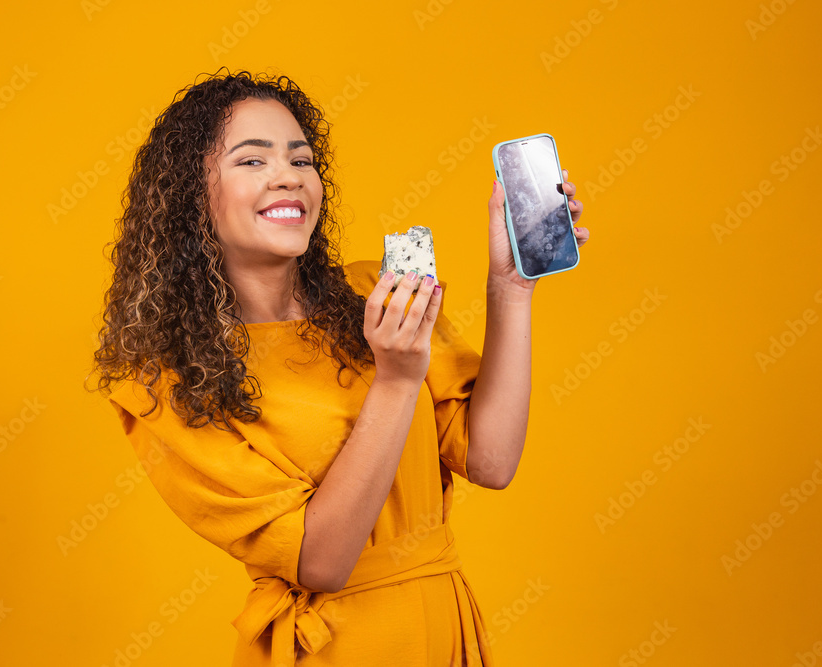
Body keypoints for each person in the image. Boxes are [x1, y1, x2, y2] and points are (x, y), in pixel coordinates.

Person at [89, 69, 589, 666]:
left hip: (442, 627)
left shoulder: (371, 291)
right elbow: (321, 561)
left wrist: (511, 287)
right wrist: (398, 379)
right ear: (191, 197)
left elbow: (492, 459)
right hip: (340, 648)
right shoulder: (166, 382)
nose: (288, 178)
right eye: (252, 162)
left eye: (301, 160)